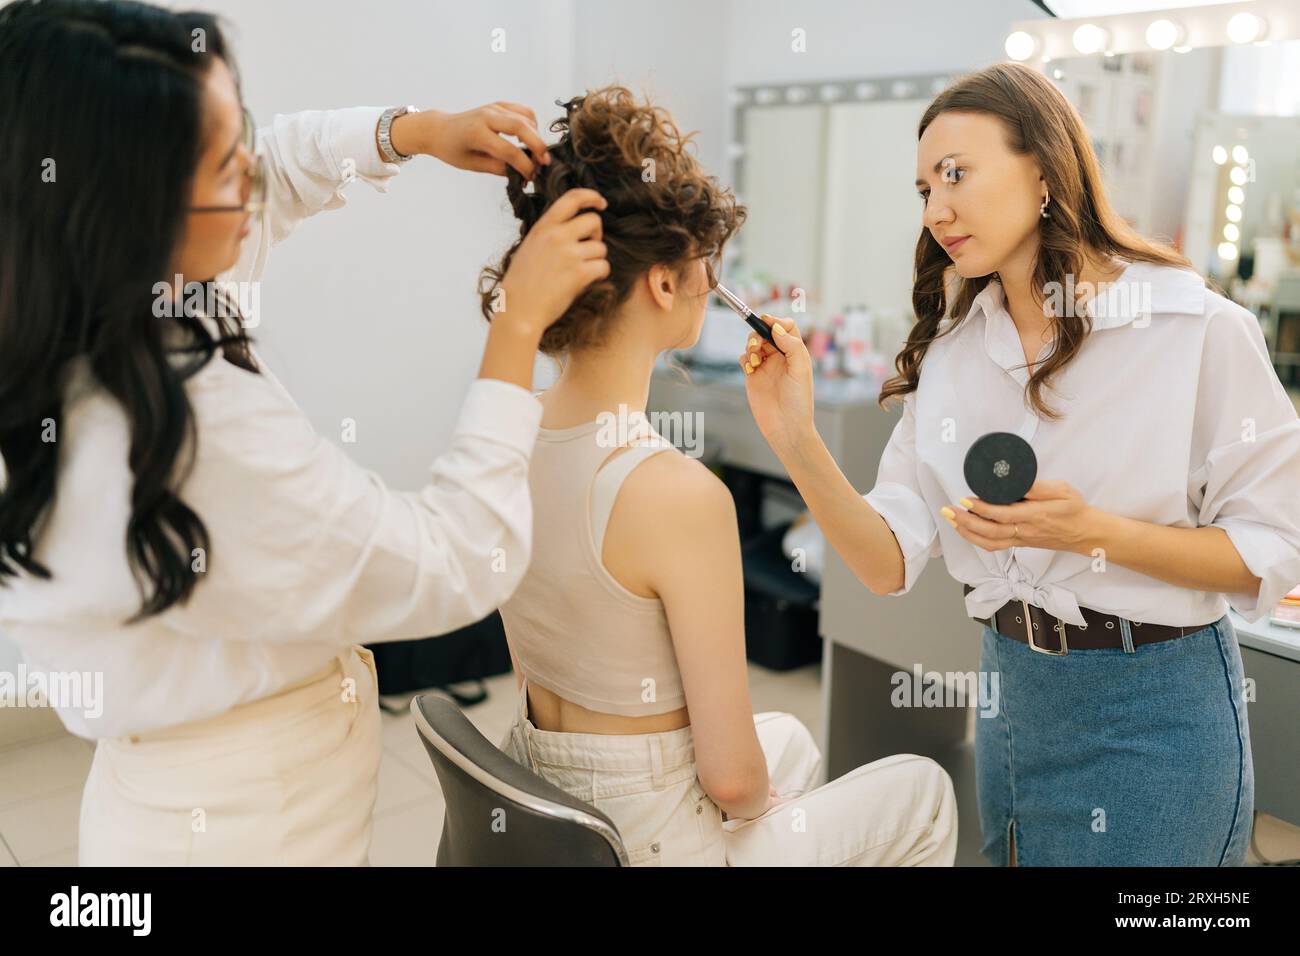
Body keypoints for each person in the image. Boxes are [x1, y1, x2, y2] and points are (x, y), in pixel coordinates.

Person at [0, 0, 608, 864]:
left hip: (161, 800)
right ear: (129, 213)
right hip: (249, 828)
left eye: (238, 129)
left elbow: (278, 164)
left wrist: (414, 131)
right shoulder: (182, 435)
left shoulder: (71, 307)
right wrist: (513, 331)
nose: (250, 172)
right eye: (220, 165)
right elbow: (453, 560)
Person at [741, 62, 1300, 866]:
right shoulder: (956, 356)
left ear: (1043, 169)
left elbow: (1268, 551)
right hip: (1013, 700)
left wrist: (1092, 533)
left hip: (1156, 718)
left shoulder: (1193, 329)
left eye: (956, 175)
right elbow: (883, 560)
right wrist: (794, 436)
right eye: (924, 189)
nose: (937, 210)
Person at [484, 86, 958, 867]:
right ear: (665, 284)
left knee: (795, 739)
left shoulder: (504, 431)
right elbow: (733, 781)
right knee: (921, 788)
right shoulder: (678, 495)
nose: (716, 284)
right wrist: (750, 805)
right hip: (654, 843)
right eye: (709, 264)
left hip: (555, 796)